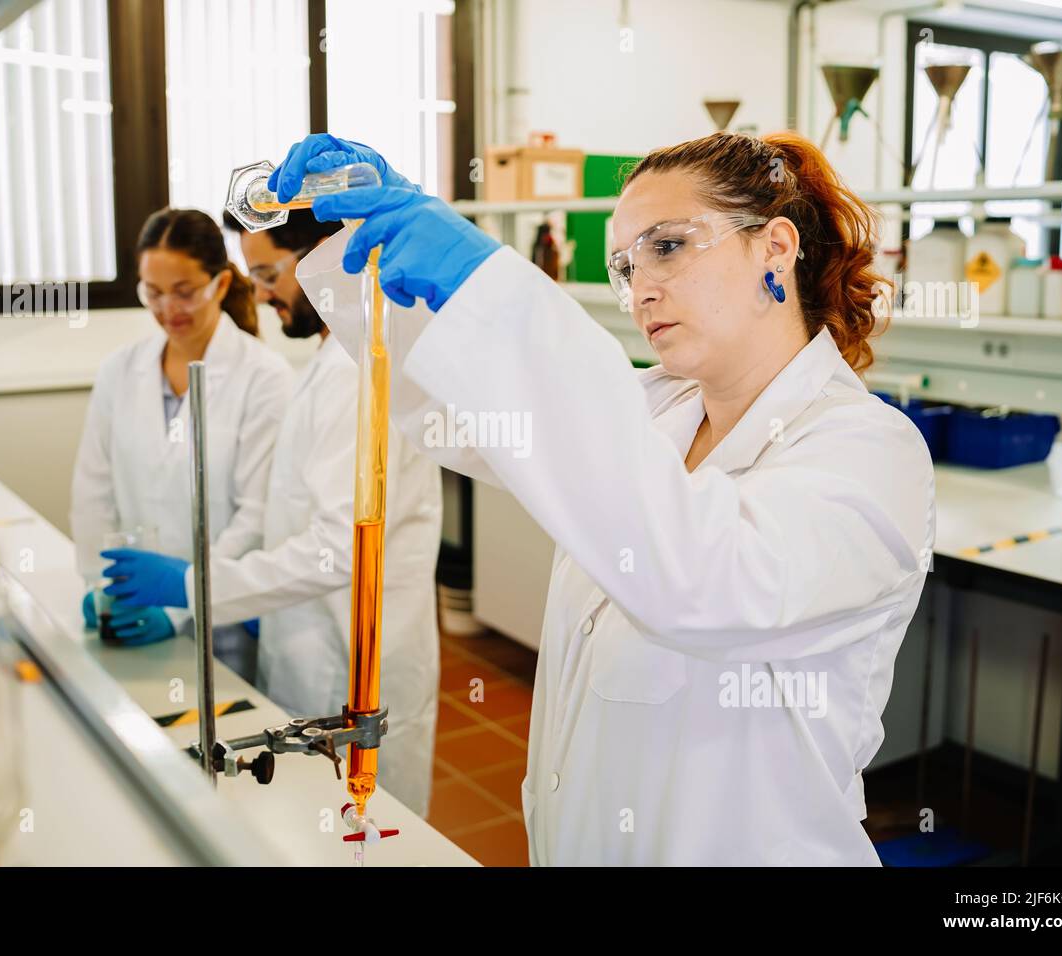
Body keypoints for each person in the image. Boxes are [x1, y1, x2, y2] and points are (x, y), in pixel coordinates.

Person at [270, 131, 935, 865]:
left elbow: (700, 580)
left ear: (775, 248)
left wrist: (489, 288)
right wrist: (350, 244)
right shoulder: (659, 407)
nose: (640, 287)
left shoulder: (870, 452)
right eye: (626, 263)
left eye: (670, 247)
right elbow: (451, 415)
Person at [103, 206, 443, 817]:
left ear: (325, 258)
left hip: (355, 666)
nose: (260, 295)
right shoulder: (330, 359)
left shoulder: (359, 370)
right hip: (311, 651)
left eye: (269, 274)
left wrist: (191, 587)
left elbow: (340, 549)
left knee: (372, 837)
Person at [71, 208, 293, 681]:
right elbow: (93, 491)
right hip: (129, 613)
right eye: (153, 293)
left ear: (220, 283)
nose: (168, 309)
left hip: (221, 624)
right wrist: (101, 588)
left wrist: (180, 601)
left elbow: (255, 517)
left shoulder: (265, 379)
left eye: (184, 292)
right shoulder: (119, 370)